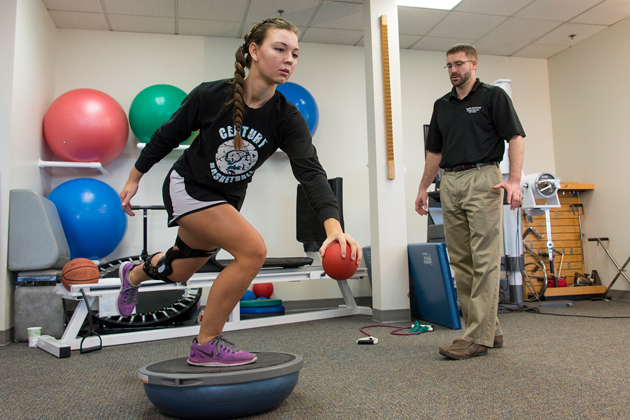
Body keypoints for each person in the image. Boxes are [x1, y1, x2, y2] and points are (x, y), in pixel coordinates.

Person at [117, 18, 361, 367]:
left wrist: (333, 228)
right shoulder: (210, 95)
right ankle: (206, 344)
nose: (289, 59)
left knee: (180, 270)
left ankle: (134, 274)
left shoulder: (286, 118)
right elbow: (167, 135)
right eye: (279, 49)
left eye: (294, 53)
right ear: (254, 51)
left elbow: (311, 173)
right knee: (252, 251)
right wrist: (134, 176)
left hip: (226, 200)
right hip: (188, 186)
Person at [415, 44, 525, 360]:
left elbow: (515, 137)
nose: (453, 70)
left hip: (484, 178)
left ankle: (476, 336)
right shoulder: (442, 105)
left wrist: (514, 180)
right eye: (448, 65)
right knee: (462, 261)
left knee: (485, 258)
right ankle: (492, 330)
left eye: (459, 64)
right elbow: (434, 152)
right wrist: (424, 187)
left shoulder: (492, 97)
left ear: (473, 64)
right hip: (449, 181)